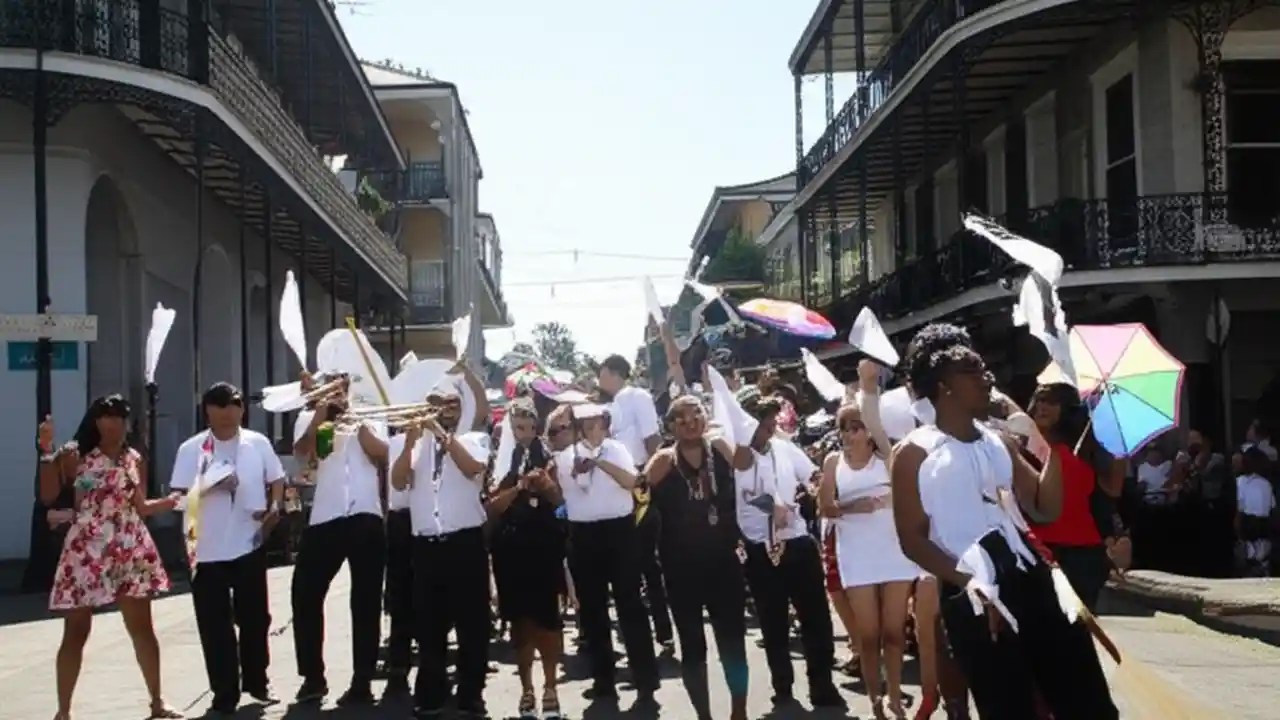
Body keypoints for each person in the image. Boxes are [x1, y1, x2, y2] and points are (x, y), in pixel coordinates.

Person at [891, 323, 1117, 719]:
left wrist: (1051, 446)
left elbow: (1045, 508)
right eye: (974, 371)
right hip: (972, 590)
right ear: (944, 385)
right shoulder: (913, 453)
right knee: (1007, 705)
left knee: (1086, 698)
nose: (986, 380)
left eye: (984, 370)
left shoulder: (1000, 441)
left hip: (1030, 575)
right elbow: (913, 539)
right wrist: (968, 583)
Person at [39, 395, 183, 720]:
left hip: (129, 545)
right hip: (87, 547)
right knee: (76, 631)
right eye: (105, 416)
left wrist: (172, 502)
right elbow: (48, 494)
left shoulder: (134, 457)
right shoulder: (76, 455)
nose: (112, 422)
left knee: (143, 628)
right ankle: (63, 711)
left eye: (118, 415)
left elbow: (141, 506)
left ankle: (157, 702)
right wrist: (47, 451)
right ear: (95, 421)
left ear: (127, 421)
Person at [171, 383, 286, 716]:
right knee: (215, 625)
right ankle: (224, 691)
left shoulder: (257, 443)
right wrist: (209, 486)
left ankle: (257, 679)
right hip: (205, 549)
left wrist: (275, 505)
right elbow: (178, 499)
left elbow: (276, 479)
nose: (226, 413)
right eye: (219, 406)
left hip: (248, 542)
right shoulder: (192, 449)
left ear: (241, 410)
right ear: (207, 410)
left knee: (255, 618)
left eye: (233, 406)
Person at [734, 386, 844, 710]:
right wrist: (774, 507)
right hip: (761, 548)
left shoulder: (783, 448)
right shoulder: (738, 457)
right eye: (762, 423)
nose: (769, 429)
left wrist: (812, 490)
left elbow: (812, 474)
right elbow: (747, 493)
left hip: (796, 542)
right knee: (773, 621)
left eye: (770, 422)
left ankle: (821, 685)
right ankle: (782, 687)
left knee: (817, 618)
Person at [390, 373, 492, 720]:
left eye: (449, 404)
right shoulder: (415, 444)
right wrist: (409, 443)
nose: (440, 411)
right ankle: (431, 693)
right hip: (426, 545)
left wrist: (442, 436)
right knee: (429, 623)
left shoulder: (474, 438)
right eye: (434, 404)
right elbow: (398, 481)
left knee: (472, 624)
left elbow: (473, 469)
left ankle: (470, 694)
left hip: (464, 541)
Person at [642, 395, 750, 719]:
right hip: (680, 567)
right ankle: (703, 715)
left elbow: (746, 476)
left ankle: (739, 712)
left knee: (733, 643)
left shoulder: (719, 448)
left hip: (724, 562)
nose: (690, 423)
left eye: (696, 415)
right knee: (693, 647)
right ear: (670, 425)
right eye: (681, 418)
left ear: (706, 416)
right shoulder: (663, 460)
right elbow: (638, 498)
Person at [821, 367, 918, 719]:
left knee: (894, 634)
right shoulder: (833, 462)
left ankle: (894, 696)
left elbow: (908, 488)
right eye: (844, 428)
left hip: (893, 553)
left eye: (855, 426)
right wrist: (852, 506)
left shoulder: (887, 458)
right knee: (869, 635)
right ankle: (875, 699)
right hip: (857, 556)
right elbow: (825, 507)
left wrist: (868, 386)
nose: (849, 434)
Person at [291, 373, 389, 706]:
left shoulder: (371, 414)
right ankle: (313, 676)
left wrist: (356, 418)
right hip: (326, 513)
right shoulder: (310, 416)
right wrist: (323, 412)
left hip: (365, 512)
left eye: (342, 384)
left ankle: (362, 678)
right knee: (305, 593)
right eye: (332, 384)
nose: (338, 390)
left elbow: (380, 452)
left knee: (365, 599)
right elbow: (310, 455)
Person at [553, 403, 660, 704]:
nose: (591, 427)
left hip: (619, 531)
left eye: (595, 421)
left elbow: (632, 482)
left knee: (630, 605)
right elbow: (575, 487)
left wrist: (599, 462)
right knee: (593, 611)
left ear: (604, 423)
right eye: (584, 423)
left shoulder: (617, 450)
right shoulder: (564, 457)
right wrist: (581, 463)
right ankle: (603, 679)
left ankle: (645, 677)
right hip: (584, 533)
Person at [487, 398, 566, 719]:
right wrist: (517, 486)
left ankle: (550, 687)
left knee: (548, 621)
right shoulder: (499, 460)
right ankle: (526, 690)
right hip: (511, 547)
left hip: (545, 545)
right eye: (517, 427)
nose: (524, 433)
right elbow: (492, 507)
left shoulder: (551, 459)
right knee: (520, 624)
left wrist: (547, 487)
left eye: (529, 427)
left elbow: (563, 505)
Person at [597, 354, 673, 651]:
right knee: (625, 562)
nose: (599, 379)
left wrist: (648, 480)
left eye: (602, 372)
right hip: (616, 489)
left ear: (613, 371)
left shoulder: (637, 397)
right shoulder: (609, 406)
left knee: (647, 562)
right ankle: (634, 635)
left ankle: (663, 632)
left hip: (640, 486)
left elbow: (653, 441)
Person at [1026, 383, 1120, 612]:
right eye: (1039, 400)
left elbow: (1112, 490)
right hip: (1039, 549)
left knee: (1078, 633)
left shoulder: (1087, 447)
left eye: (1052, 401)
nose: (1042, 407)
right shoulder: (1022, 444)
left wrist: (1118, 441)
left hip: (1085, 553)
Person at [1235, 446, 1275, 576]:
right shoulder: (1267, 484)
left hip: (1248, 543)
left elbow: (1238, 513)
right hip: (1265, 545)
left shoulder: (1239, 483)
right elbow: (1271, 508)